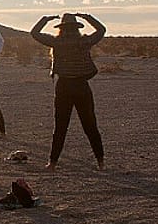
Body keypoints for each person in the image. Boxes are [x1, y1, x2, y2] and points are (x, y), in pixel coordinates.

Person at [31, 12, 106, 171]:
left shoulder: (56, 42)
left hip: (64, 86)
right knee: (90, 125)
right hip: (82, 86)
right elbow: (101, 30)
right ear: (76, 27)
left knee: (60, 126)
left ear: (62, 28)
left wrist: (45, 19)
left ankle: (52, 163)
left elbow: (34, 33)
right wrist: (88, 17)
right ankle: (101, 162)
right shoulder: (84, 41)